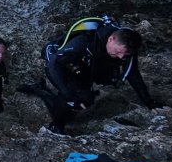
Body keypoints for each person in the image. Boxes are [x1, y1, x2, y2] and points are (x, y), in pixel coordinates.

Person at [26, 18, 162, 134]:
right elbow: (54, 64)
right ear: (111, 39)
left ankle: (43, 91)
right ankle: (56, 124)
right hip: (60, 67)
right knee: (73, 101)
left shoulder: (127, 49)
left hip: (83, 70)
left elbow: (133, 74)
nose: (121, 57)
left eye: (125, 54)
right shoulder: (84, 42)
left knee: (85, 100)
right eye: (118, 52)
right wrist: (68, 95)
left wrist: (148, 101)